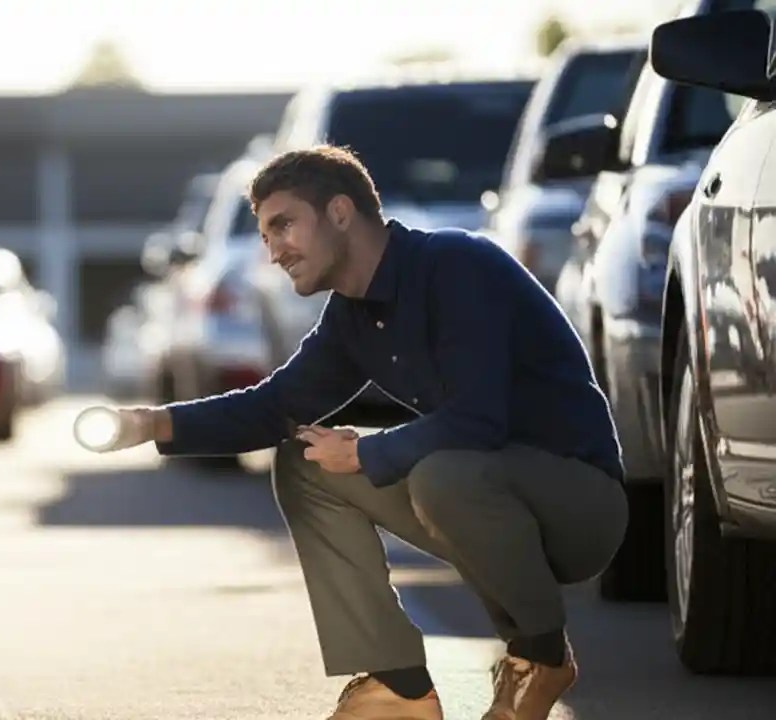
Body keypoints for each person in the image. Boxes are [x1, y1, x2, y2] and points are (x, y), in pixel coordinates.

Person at [86, 145, 629, 720]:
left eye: (283, 226)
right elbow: (275, 407)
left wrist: (369, 452)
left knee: (443, 475)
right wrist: (153, 424)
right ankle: (397, 685)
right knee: (307, 461)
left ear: (341, 212)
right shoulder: (353, 314)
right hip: (491, 492)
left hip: (581, 505)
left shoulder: (456, 266)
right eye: (266, 235)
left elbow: (479, 418)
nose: (273, 252)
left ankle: (540, 657)